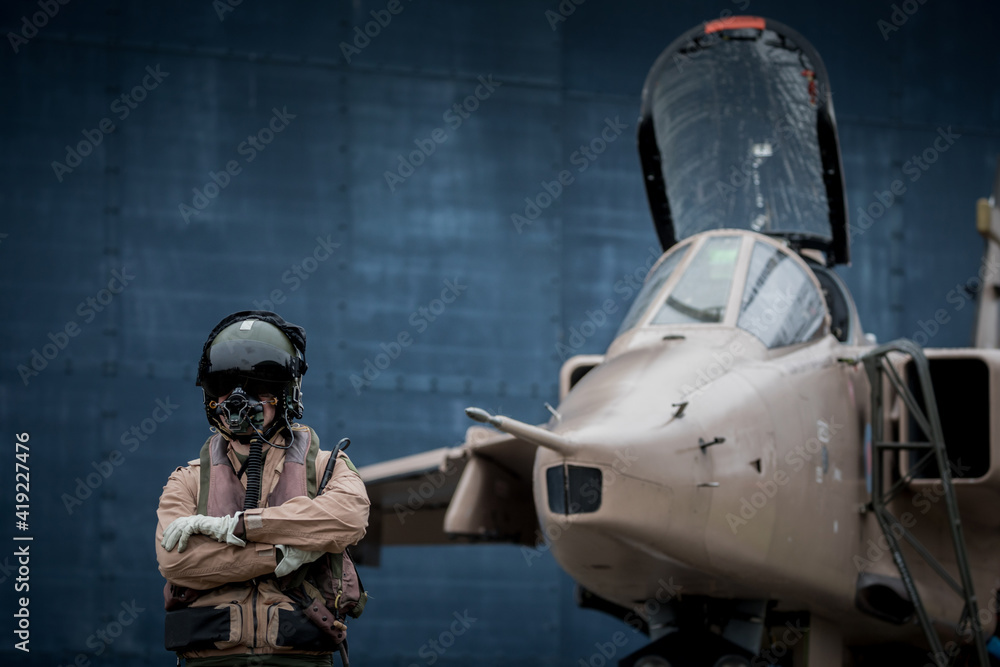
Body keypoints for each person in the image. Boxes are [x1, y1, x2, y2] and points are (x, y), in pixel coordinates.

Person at [155, 310, 369, 666]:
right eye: (225, 387)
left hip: (298, 658)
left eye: (258, 387)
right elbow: (176, 561)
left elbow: (349, 517)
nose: (238, 400)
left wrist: (239, 527)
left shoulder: (325, 466)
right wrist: (280, 554)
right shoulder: (188, 479)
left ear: (286, 394)